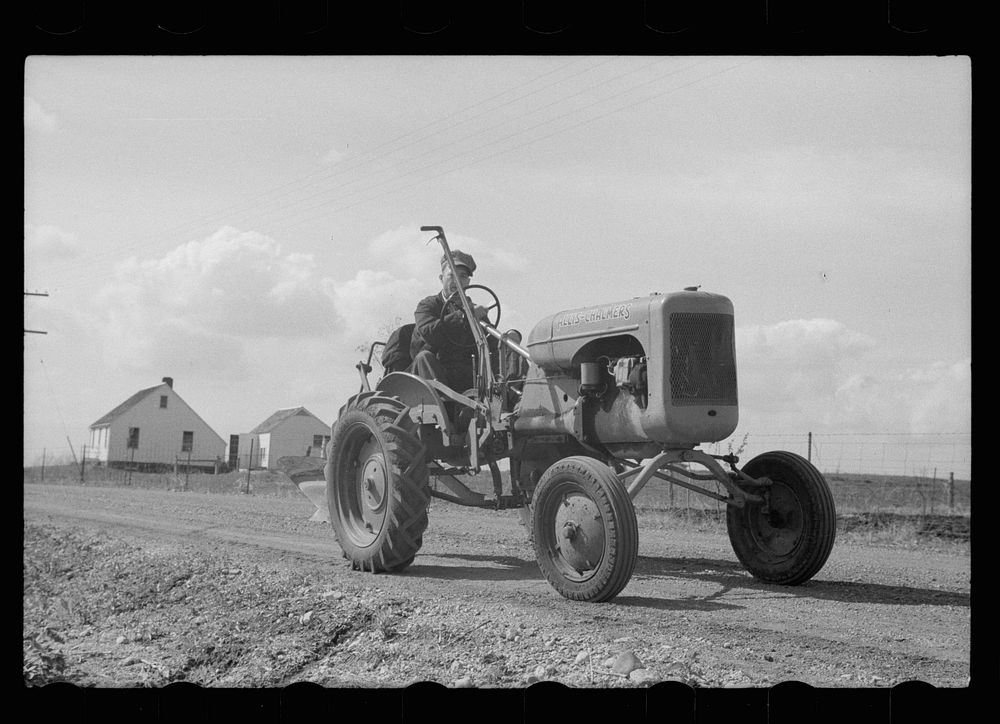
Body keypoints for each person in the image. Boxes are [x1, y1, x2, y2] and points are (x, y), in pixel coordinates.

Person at [409, 249, 497, 394]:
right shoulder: (427, 305)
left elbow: (491, 343)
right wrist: (463, 317)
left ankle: (518, 401)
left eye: (462, 276)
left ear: (468, 282)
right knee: (424, 357)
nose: (457, 281)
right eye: (452, 275)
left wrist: (509, 338)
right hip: (434, 374)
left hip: (468, 376)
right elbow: (429, 333)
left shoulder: (473, 310)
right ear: (441, 278)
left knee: (509, 349)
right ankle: (445, 405)